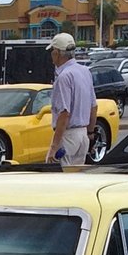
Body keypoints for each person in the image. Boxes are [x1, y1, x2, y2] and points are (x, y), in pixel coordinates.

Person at [46, 32, 96, 169]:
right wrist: (90, 133)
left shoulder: (64, 77)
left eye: (52, 51)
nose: (51, 54)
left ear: (57, 53)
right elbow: (93, 106)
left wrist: (54, 147)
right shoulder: (85, 71)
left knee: (59, 178)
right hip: (83, 135)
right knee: (77, 179)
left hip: (68, 137)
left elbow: (64, 113)